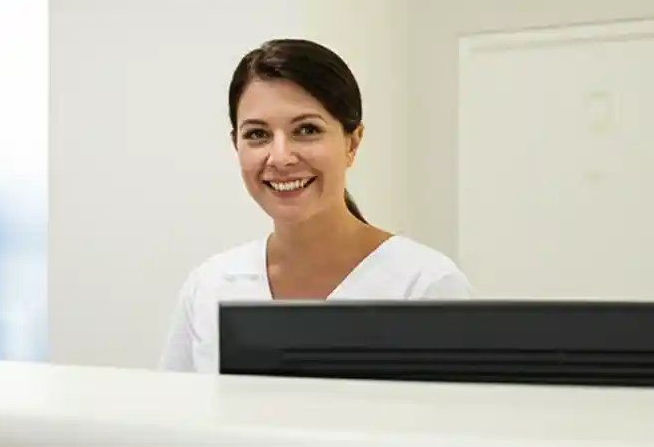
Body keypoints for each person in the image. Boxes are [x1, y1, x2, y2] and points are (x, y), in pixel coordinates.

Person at [160, 39, 472, 374]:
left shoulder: (424, 286)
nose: (279, 157)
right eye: (257, 135)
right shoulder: (210, 286)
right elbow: (172, 417)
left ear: (352, 143)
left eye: (306, 130)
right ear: (235, 144)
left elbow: (462, 422)